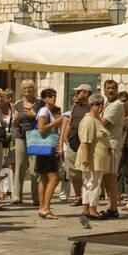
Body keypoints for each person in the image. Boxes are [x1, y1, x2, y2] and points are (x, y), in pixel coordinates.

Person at [76, 94, 111, 220]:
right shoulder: (88, 120)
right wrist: (86, 158)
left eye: (102, 104)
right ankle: (92, 208)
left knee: (91, 182)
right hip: (92, 157)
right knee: (92, 183)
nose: (100, 107)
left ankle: (87, 207)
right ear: (91, 106)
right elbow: (85, 141)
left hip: (98, 158)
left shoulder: (97, 119)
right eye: (97, 104)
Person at [33, 89, 63, 219]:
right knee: (54, 178)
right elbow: (41, 128)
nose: (53, 98)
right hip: (46, 148)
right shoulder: (44, 111)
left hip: (44, 149)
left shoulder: (47, 111)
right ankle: (45, 207)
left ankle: (42, 207)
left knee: (44, 178)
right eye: (50, 96)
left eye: (54, 96)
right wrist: (57, 121)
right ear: (44, 99)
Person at [61, 84, 92, 206]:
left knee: (85, 171)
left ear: (85, 93)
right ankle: (78, 196)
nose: (77, 93)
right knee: (73, 171)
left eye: (79, 91)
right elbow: (70, 121)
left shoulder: (91, 107)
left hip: (84, 142)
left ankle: (87, 196)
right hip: (73, 142)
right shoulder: (75, 106)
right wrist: (65, 136)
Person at [11, 80, 40, 205]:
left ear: (34, 89)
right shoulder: (18, 105)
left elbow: (44, 117)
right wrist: (15, 120)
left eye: (30, 88)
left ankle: (36, 197)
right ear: (22, 90)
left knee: (34, 167)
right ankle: (17, 196)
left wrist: (34, 115)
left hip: (35, 136)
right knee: (20, 166)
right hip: (21, 136)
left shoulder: (39, 104)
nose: (28, 90)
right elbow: (14, 121)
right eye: (25, 88)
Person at [99, 80, 123, 217]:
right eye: (108, 88)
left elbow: (104, 122)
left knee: (112, 176)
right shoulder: (107, 103)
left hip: (112, 144)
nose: (111, 90)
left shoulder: (117, 105)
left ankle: (114, 206)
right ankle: (111, 204)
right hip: (106, 144)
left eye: (113, 88)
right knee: (107, 177)